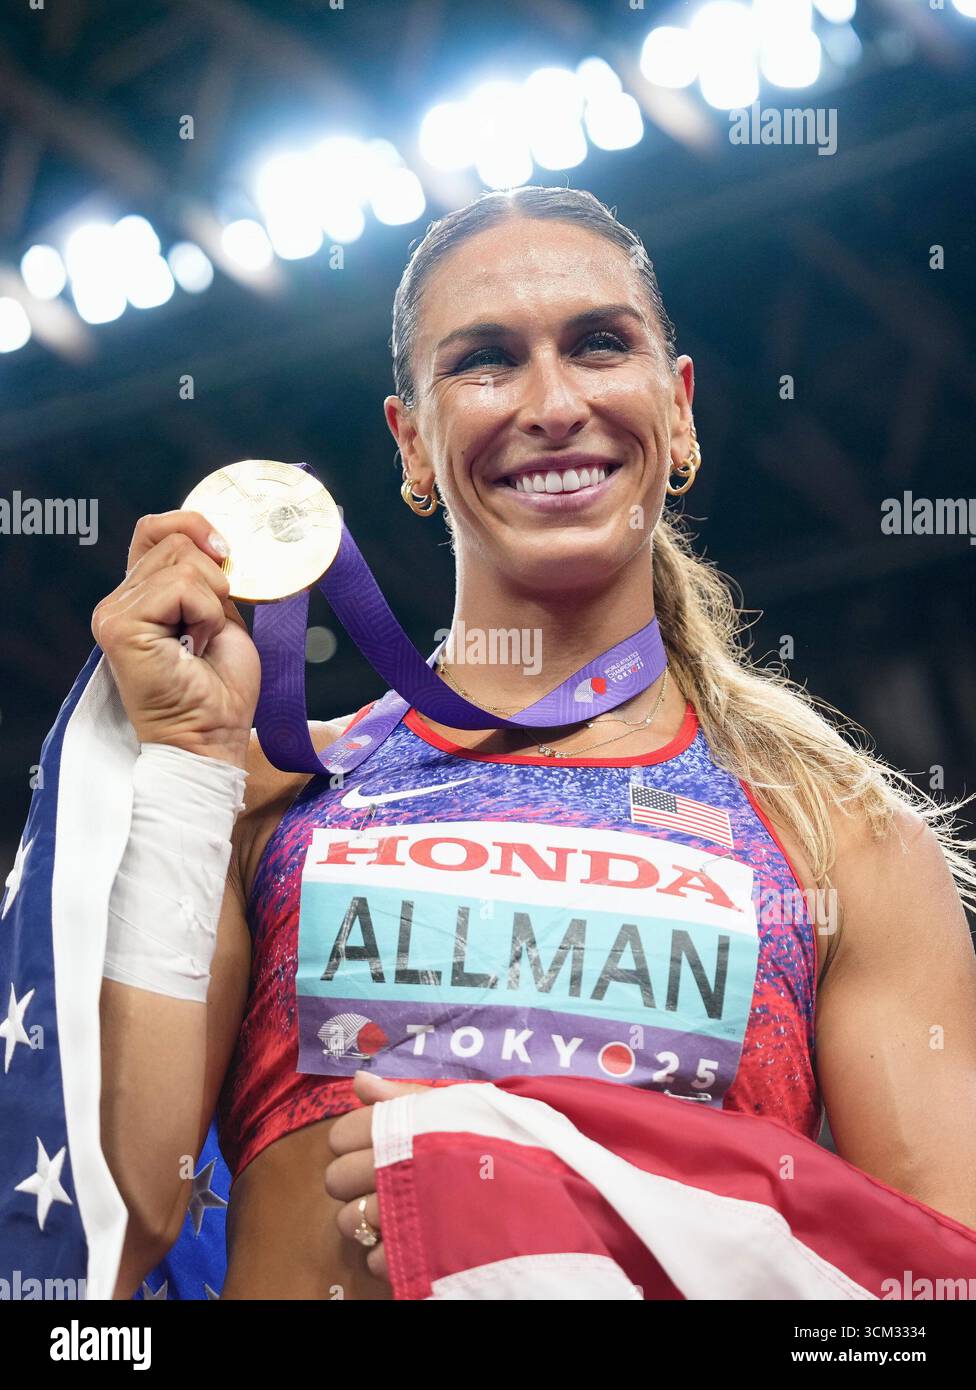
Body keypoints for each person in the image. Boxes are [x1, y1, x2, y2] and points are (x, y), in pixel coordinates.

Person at [92, 185, 976, 1301]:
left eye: (600, 344)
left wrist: (563, 1189)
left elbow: (932, 1301)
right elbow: (116, 1223)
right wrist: (180, 757)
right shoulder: (268, 786)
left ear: (680, 405)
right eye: (486, 360)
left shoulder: (840, 836)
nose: (554, 404)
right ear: (410, 444)